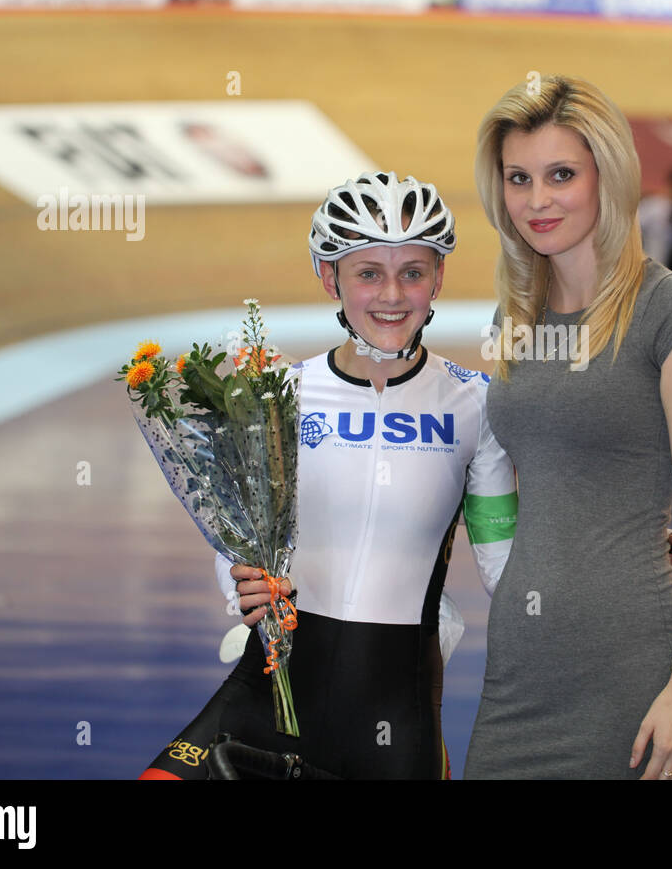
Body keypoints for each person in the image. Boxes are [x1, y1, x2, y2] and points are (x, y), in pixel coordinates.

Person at [139, 171, 518, 780]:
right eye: (368, 273)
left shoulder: (476, 405)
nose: (392, 295)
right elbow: (237, 540)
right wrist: (240, 584)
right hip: (270, 691)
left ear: (438, 278)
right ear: (329, 277)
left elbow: (508, 569)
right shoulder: (276, 395)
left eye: (413, 272)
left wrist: (611, 562)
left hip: (395, 721)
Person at [464, 74, 672, 780]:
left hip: (634, 670)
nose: (537, 200)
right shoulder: (513, 320)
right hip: (520, 669)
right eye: (518, 178)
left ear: (606, 177)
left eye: (561, 175)